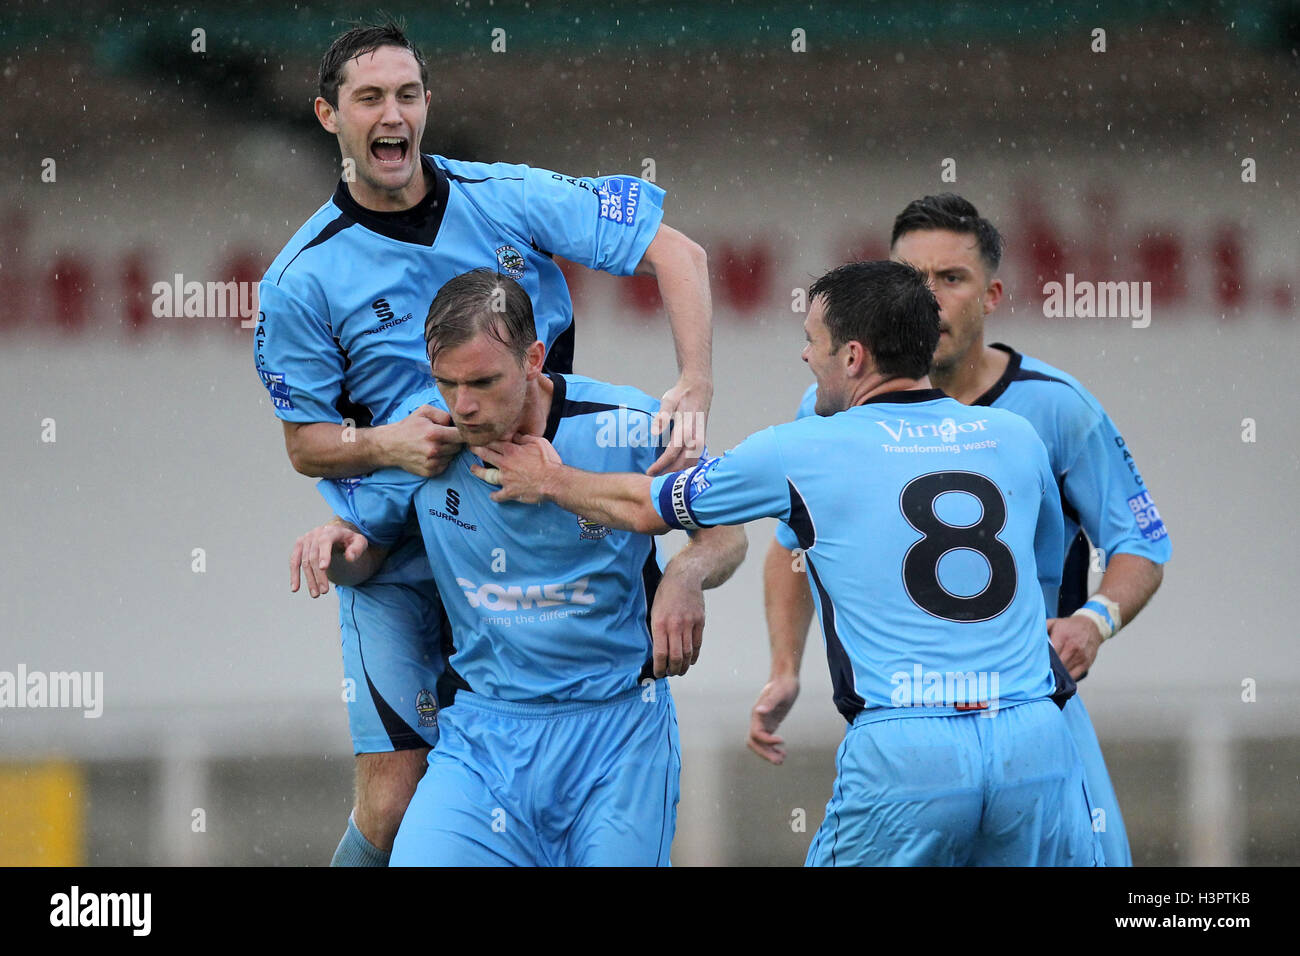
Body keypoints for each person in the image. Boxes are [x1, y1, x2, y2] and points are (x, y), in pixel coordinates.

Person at [257, 20, 713, 865]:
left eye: (406, 94)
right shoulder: (300, 280)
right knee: (394, 805)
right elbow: (306, 446)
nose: (391, 114)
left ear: (426, 104)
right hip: (401, 540)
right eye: (368, 98)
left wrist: (694, 381)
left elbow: (676, 252)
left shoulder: (505, 195)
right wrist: (389, 448)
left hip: (534, 508)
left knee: (581, 721)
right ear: (329, 116)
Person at [476, 260, 1102, 865]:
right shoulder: (1014, 437)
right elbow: (1046, 564)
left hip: (911, 750)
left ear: (853, 357)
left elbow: (646, 506)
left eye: (813, 341)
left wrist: (549, 481)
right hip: (1035, 737)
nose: (806, 356)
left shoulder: (798, 449)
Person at [748, 194, 1171, 866]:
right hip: (913, 736)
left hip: (1033, 719)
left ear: (993, 293)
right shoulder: (830, 406)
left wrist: (1093, 621)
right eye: (913, 279)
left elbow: (1142, 543)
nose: (930, 297)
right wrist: (783, 669)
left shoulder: (1054, 408)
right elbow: (790, 548)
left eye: (952, 278)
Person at [290, 270, 746, 866]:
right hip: (483, 738)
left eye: (483, 381)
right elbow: (368, 542)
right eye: (447, 383)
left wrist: (686, 574)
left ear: (534, 359)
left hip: (617, 735)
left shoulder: (628, 424)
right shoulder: (420, 433)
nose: (465, 406)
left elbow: (727, 534)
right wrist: (340, 550)